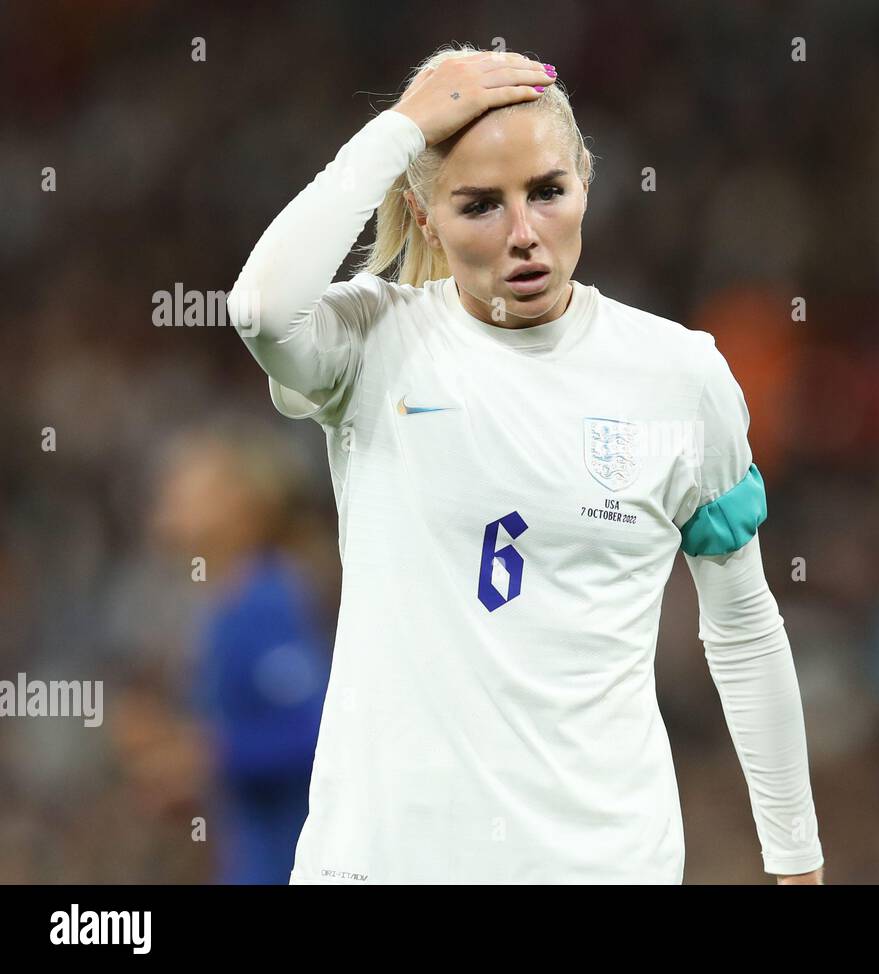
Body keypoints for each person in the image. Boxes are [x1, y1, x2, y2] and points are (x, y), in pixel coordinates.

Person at [226, 43, 824, 884]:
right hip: (381, 862)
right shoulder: (375, 343)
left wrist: (796, 859)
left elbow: (744, 627)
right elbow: (260, 307)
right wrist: (397, 129)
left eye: (548, 191)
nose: (524, 236)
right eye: (479, 205)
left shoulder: (681, 378)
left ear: (586, 176)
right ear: (424, 215)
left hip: (603, 864)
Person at [151, 427, 331, 883]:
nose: (170, 504)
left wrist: (206, 755)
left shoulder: (266, 600)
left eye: (189, 490)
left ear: (241, 506)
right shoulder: (224, 603)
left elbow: (316, 733)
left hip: (293, 863)